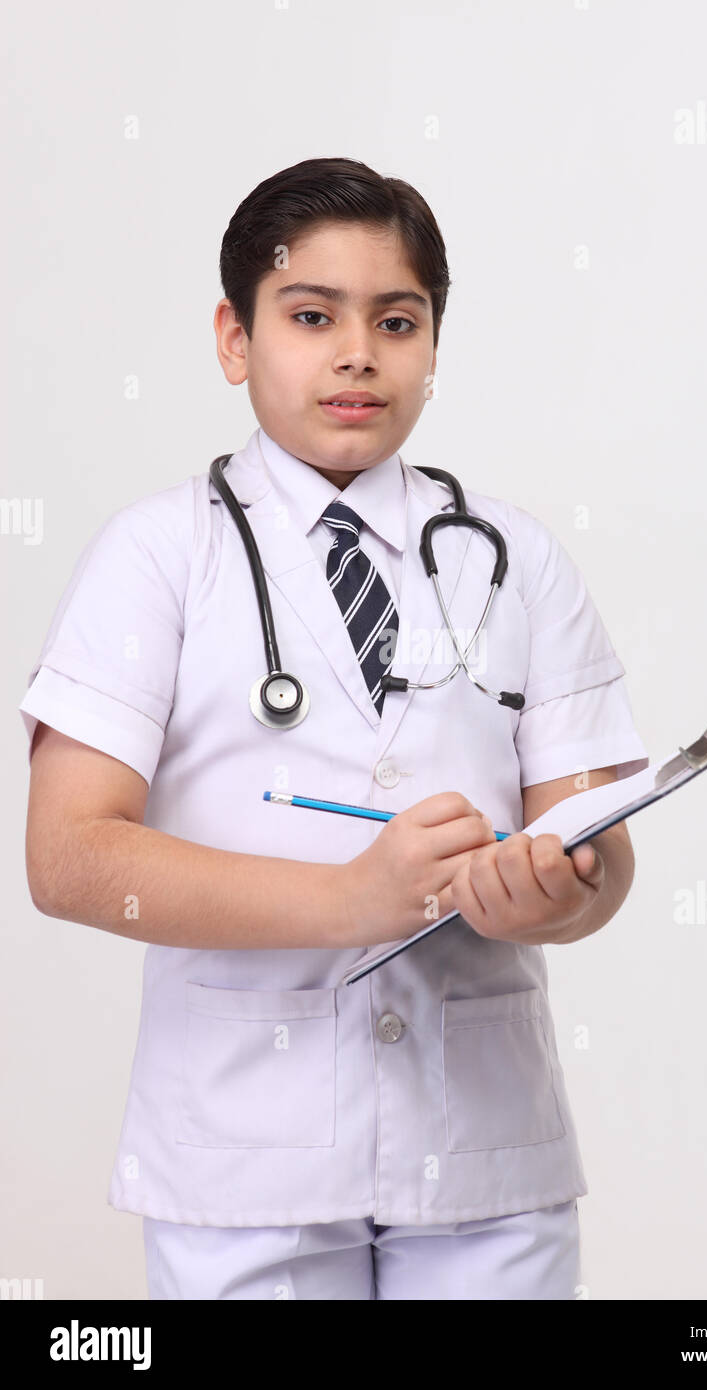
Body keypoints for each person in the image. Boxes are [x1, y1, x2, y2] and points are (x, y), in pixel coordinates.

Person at [20, 156, 649, 1300]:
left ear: (433, 345)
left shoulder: (518, 560)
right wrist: (348, 902)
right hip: (243, 1153)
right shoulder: (158, 556)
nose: (356, 352)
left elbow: (597, 854)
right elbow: (68, 861)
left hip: (481, 1153)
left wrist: (560, 891)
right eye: (310, 316)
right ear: (233, 338)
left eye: (396, 321)